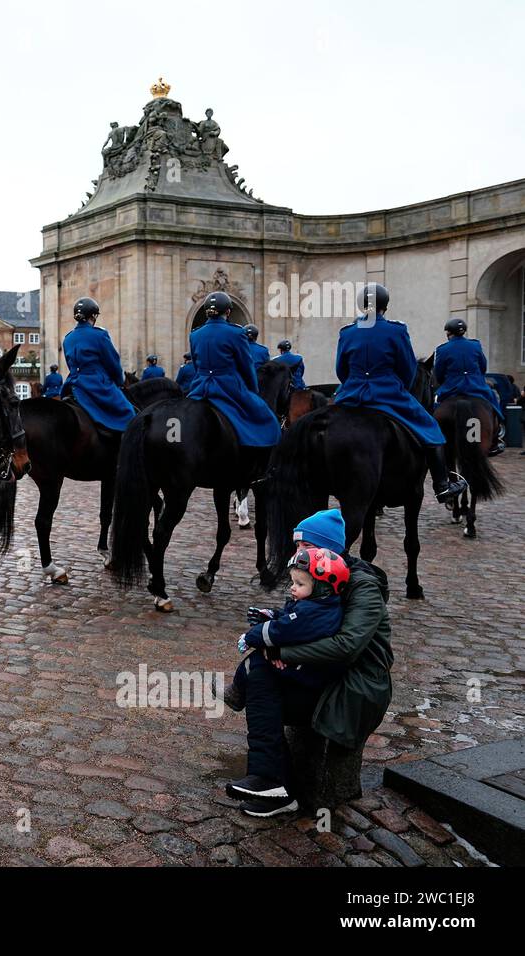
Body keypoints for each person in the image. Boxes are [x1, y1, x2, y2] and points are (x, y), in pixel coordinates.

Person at [226, 508, 393, 817]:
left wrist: (281, 653)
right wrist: (273, 623)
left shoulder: (362, 586)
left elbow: (346, 647)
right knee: (261, 673)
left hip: (354, 688)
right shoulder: (317, 575)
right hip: (324, 674)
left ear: (328, 548)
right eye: (297, 546)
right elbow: (301, 624)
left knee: (263, 675)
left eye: (305, 546)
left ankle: (275, 782)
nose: (298, 553)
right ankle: (273, 783)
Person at [334, 284, 467, 503]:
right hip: (387, 393)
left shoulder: (347, 332)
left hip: (351, 394)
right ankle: (442, 485)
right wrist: (400, 387)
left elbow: (341, 370)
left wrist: (352, 384)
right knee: (430, 426)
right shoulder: (396, 330)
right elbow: (408, 370)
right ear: (385, 306)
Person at [224, 547, 350, 713]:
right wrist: (272, 615)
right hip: (307, 661)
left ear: (321, 587)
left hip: (306, 669)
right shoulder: (323, 606)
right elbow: (291, 619)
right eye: (292, 582)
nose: (292, 587)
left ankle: (236, 693)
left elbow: (282, 630)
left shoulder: (309, 612)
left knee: (254, 662)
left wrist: (250, 637)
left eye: (299, 584)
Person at [186, 293, 282, 449]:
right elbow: (246, 366)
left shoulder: (195, 334)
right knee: (265, 415)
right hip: (228, 387)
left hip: (200, 387)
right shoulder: (236, 333)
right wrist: (252, 391)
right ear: (228, 312)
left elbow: (197, 367)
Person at [61, 298, 135, 432]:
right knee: (129, 414)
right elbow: (113, 363)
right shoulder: (99, 335)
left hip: (72, 386)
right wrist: (119, 381)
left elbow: (70, 365)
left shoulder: (68, 338)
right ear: (93, 316)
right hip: (96, 385)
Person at [435, 317, 505, 456]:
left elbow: (439, 374)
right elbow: (483, 367)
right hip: (476, 387)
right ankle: (496, 437)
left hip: (452, 388)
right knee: (493, 402)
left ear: (448, 333)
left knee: (436, 406)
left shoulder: (442, 349)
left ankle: (434, 438)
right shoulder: (475, 345)